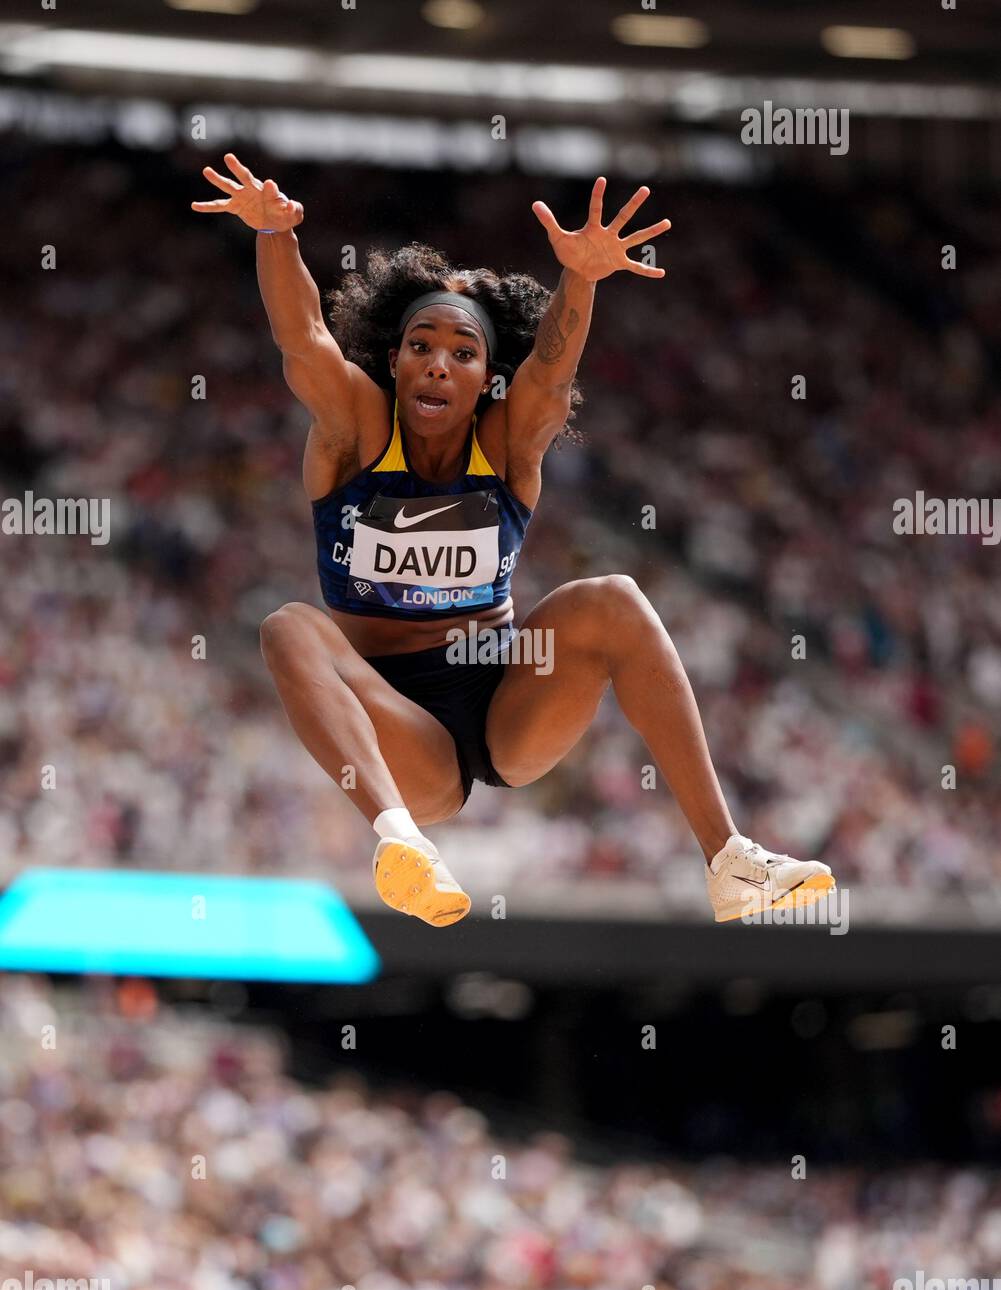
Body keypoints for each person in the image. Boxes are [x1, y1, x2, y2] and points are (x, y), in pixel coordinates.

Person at [193, 154, 835, 926]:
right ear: (392, 360)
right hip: (400, 728)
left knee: (612, 599)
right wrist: (274, 236)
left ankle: (730, 860)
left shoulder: (505, 445)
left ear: (487, 377)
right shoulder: (355, 429)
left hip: (507, 703)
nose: (437, 365)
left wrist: (582, 279)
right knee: (288, 625)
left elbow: (553, 375)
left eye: (462, 353)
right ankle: (400, 844)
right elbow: (303, 342)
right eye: (420, 346)